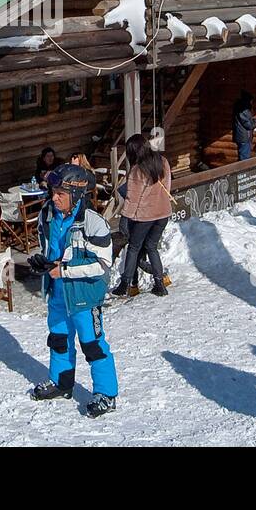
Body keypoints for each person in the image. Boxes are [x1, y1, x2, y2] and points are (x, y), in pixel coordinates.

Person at [27, 164, 118, 417]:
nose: (53, 198)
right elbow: (51, 249)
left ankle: (106, 395)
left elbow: (102, 266)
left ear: (77, 195)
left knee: (93, 345)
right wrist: (44, 265)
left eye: (60, 194)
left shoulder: (94, 223)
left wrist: (64, 270)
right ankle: (61, 382)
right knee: (58, 339)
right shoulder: (47, 213)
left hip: (84, 296)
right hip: (57, 292)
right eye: (53, 192)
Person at [112, 134, 172, 298]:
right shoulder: (162, 161)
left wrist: (125, 218)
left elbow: (133, 199)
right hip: (163, 212)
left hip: (145, 215)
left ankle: (125, 283)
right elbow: (167, 187)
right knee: (152, 246)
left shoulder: (137, 171)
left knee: (134, 248)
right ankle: (159, 283)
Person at [233, 91, 255, 160]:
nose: (252, 103)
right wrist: (255, 125)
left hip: (242, 136)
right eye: (251, 101)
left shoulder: (241, 108)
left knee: (243, 156)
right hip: (243, 137)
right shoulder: (243, 110)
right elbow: (247, 123)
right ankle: (244, 171)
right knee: (244, 158)